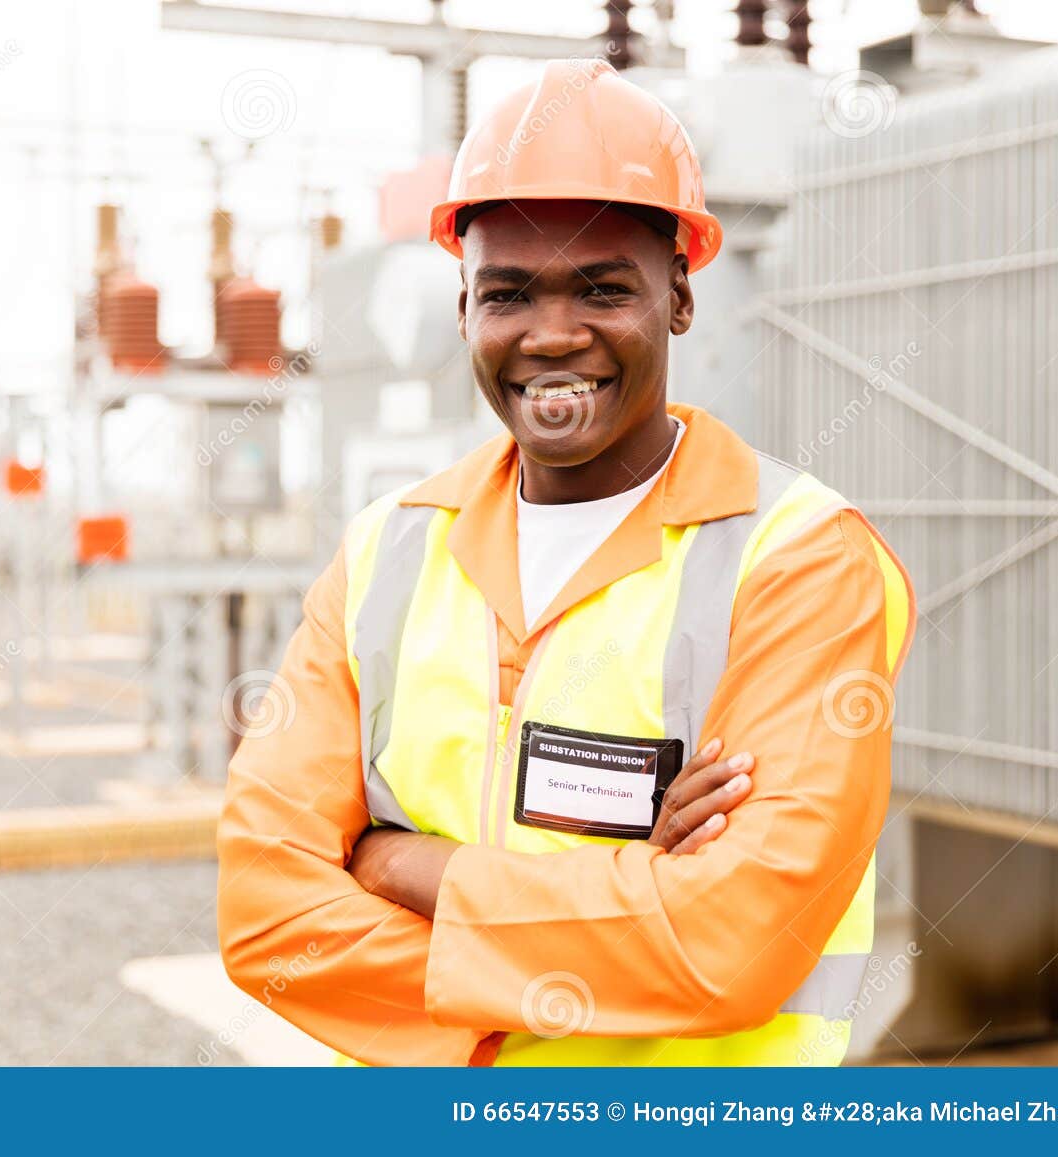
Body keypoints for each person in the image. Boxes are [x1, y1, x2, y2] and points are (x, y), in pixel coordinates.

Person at [217, 58, 914, 1067]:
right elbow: (266, 917)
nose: (552, 335)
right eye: (508, 293)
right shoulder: (386, 551)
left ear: (679, 295)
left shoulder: (799, 559)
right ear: (465, 309)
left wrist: (403, 864)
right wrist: (632, 901)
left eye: (602, 289)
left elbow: (730, 942)